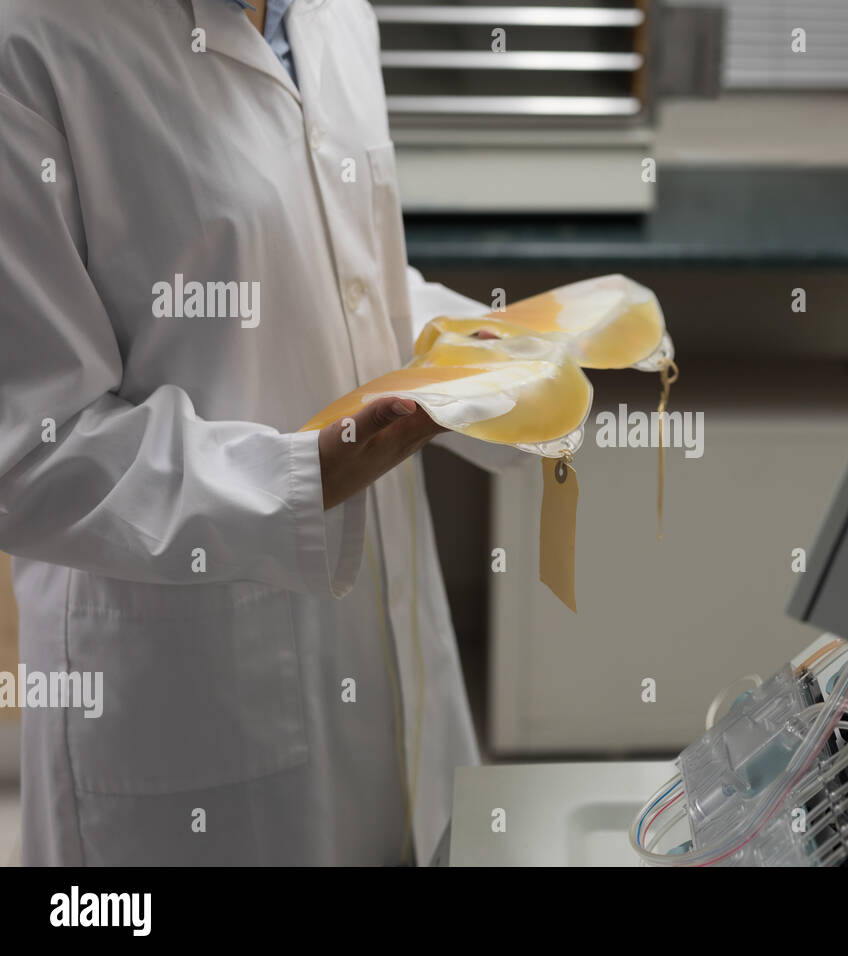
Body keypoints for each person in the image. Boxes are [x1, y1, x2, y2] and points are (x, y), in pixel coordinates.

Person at [0, 0, 485, 864]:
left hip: (383, 645)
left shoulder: (335, 16)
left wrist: (492, 355)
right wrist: (298, 480)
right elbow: (34, 445)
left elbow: (345, 276)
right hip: (185, 703)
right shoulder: (32, 40)